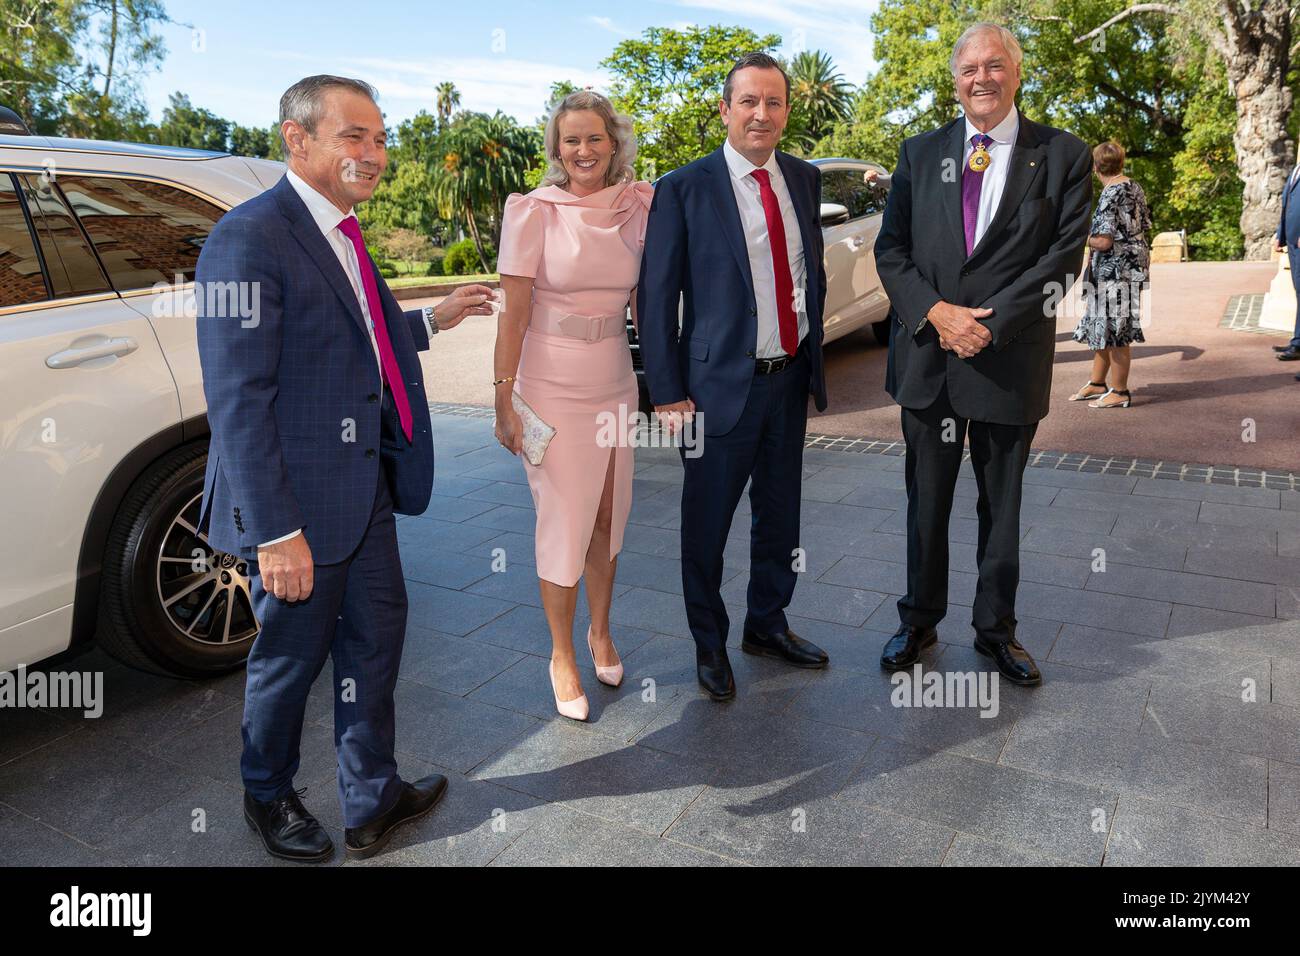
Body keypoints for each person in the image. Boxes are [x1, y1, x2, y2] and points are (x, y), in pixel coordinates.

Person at [196, 75, 495, 861]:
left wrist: (431, 319)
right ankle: (268, 795)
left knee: (374, 644)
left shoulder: (344, 234)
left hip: (364, 493)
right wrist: (276, 530)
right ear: (297, 141)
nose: (374, 152)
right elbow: (238, 398)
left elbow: (355, 338)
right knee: (288, 661)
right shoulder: (248, 238)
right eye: (353, 136)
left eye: (381, 136)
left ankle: (372, 798)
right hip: (297, 507)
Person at [873, 23, 1092, 687]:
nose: (981, 79)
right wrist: (936, 313)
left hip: (1007, 362)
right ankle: (918, 619)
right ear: (955, 80)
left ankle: (996, 630)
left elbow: (1063, 262)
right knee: (925, 503)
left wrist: (988, 328)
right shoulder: (919, 153)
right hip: (929, 360)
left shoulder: (1062, 155)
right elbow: (892, 250)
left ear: (1017, 73)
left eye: (994, 65)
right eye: (969, 68)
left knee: (1002, 507)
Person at [638, 52, 831, 702]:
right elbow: (656, 295)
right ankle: (710, 643)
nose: (761, 113)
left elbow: (809, 277)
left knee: (780, 518)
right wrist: (665, 391)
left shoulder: (803, 179)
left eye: (774, 102)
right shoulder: (684, 187)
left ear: (785, 111)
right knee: (707, 525)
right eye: (748, 101)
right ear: (725, 110)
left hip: (787, 380)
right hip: (717, 391)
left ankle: (766, 626)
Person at [493, 91, 652, 721]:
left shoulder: (641, 205)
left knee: (610, 514)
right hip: (551, 383)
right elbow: (513, 311)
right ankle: (561, 655)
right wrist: (502, 398)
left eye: (594, 138)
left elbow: (652, 297)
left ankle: (601, 633)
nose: (582, 151)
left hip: (616, 376)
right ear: (556, 149)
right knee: (564, 519)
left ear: (614, 142)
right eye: (570, 141)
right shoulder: (532, 211)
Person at [1069, 140, 1151, 408]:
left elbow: (1103, 241)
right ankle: (1097, 382)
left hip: (1114, 271)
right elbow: (1144, 224)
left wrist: (1077, 236)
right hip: (1132, 266)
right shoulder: (1135, 187)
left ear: (1095, 167)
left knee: (1116, 330)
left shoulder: (1109, 193)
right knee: (1105, 325)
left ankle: (1120, 391)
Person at [1275, 156, 1300, 361]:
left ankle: (1298, 343)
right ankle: (1298, 340)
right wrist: (1280, 235)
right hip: (1292, 243)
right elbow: (1288, 205)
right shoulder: (1295, 170)